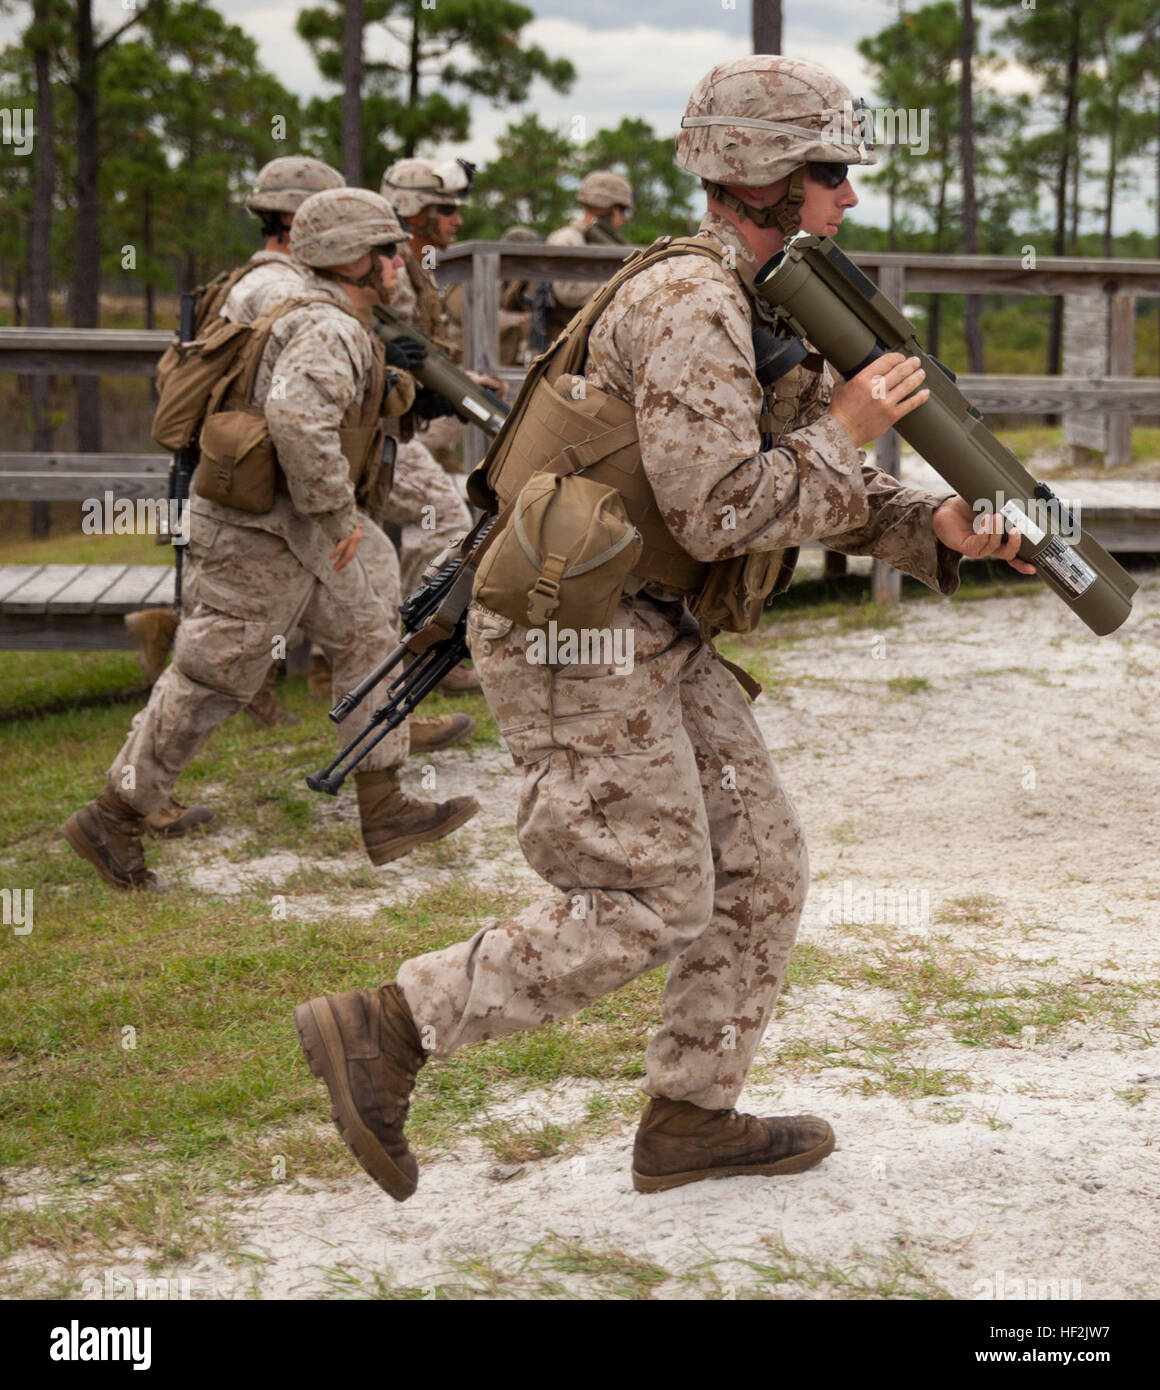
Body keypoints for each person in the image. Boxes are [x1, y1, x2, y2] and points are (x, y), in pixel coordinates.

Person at [293, 56, 1033, 1201]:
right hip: (574, 629)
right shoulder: (690, 300)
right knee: (649, 894)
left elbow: (785, 481)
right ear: (763, 174)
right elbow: (723, 505)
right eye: (827, 171)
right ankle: (387, 1027)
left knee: (759, 858)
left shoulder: (753, 294)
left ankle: (691, 1115)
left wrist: (932, 524)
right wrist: (844, 426)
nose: (846, 197)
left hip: (640, 614)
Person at [62, 189, 480, 893]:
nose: (396, 262)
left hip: (300, 534)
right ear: (352, 257)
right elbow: (295, 420)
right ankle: (114, 816)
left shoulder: (334, 319)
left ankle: (385, 806)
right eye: (384, 250)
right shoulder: (326, 327)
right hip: (260, 535)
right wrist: (337, 515)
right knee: (209, 680)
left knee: (368, 638)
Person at [125, 155, 348, 766]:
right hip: (243, 480)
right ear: (299, 218)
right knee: (208, 660)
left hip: (241, 472)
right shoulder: (280, 289)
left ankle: (372, 749)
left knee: (229, 638)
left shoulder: (259, 279)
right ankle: (133, 796)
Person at [541, 170, 634, 341]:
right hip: (568, 339)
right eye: (622, 209)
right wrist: (620, 285)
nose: (625, 217)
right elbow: (568, 293)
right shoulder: (568, 239)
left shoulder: (596, 239)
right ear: (606, 207)